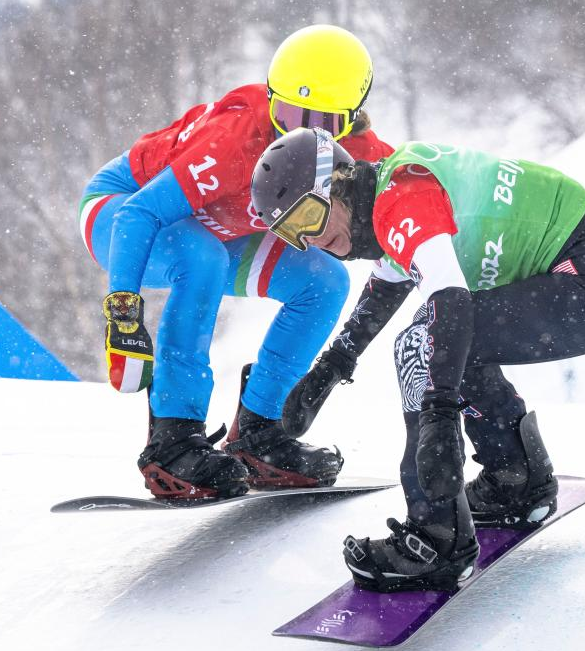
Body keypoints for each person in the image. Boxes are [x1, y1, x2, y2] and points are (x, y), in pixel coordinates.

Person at [250, 128, 585, 592]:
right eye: (290, 231)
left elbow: (448, 301)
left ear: (340, 182)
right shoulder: (388, 189)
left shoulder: (399, 201)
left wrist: (439, 414)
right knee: (449, 337)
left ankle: (436, 539)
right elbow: (387, 285)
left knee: (424, 342)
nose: (311, 238)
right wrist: (332, 366)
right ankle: (517, 479)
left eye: (308, 215)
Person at [79, 26, 394, 500]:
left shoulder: (353, 155)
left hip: (213, 231)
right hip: (122, 211)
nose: (303, 130)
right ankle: (172, 437)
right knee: (199, 256)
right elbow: (140, 212)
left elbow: (417, 189)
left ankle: (261, 430)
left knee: (324, 280)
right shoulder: (236, 138)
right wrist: (123, 309)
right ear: (271, 98)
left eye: (325, 122)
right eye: (289, 113)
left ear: (354, 122)